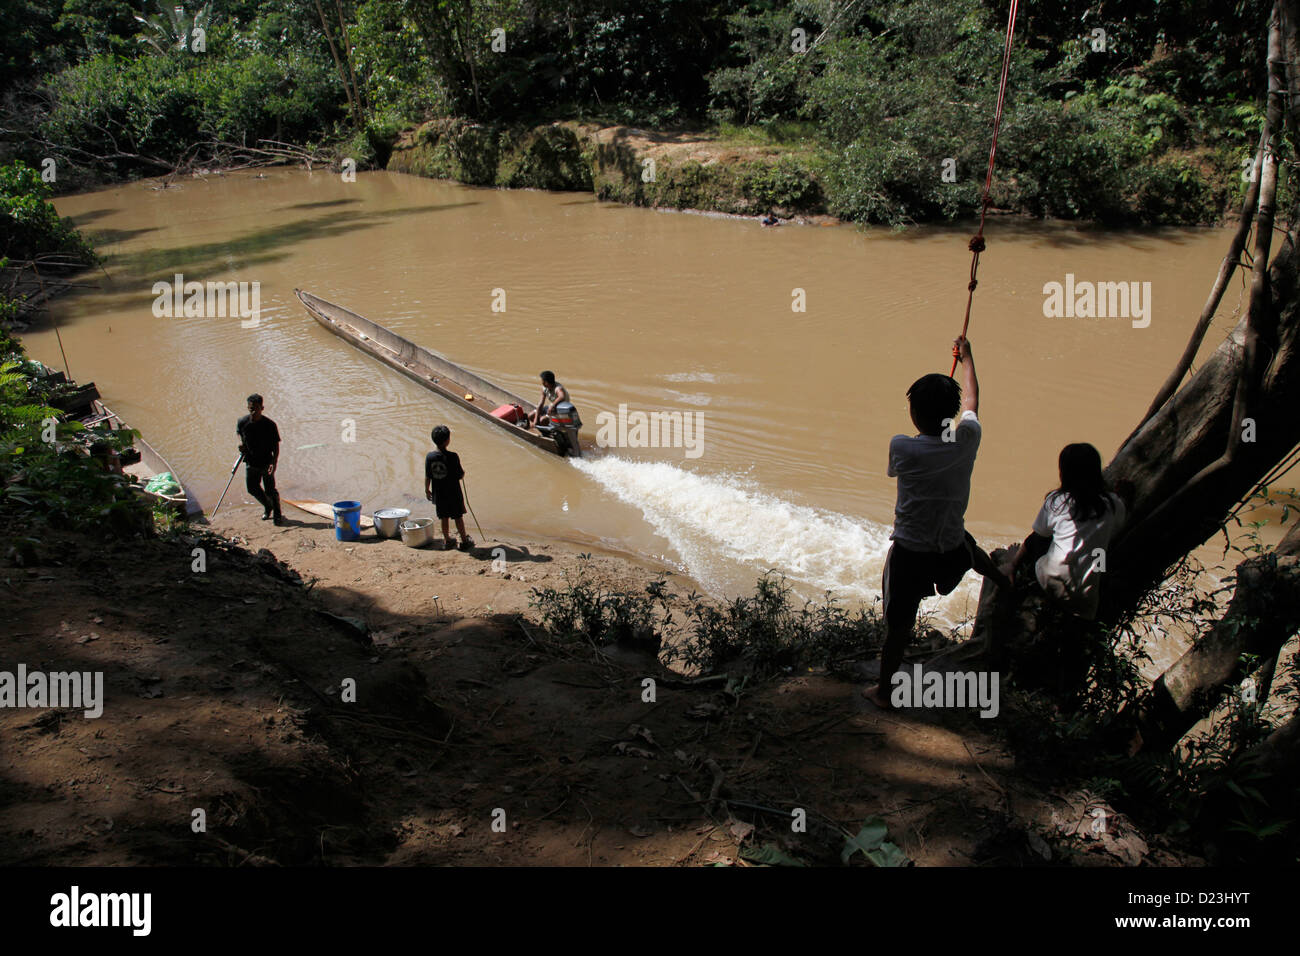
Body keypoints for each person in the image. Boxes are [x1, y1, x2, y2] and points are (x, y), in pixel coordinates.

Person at [863, 336, 1009, 710]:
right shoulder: (967, 440)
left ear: (914, 414)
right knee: (969, 546)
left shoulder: (902, 447)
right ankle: (1002, 578)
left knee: (898, 627)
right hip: (951, 552)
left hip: (912, 554)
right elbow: (973, 402)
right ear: (952, 413)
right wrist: (968, 359)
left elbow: (906, 460)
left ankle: (884, 693)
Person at [1002, 443, 1129, 620]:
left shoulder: (1057, 501)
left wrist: (1014, 563)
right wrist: (1122, 497)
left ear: (1064, 473)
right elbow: (1117, 527)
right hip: (1086, 598)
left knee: (1040, 537)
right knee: (1099, 550)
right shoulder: (1114, 504)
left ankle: (1014, 566)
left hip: (1051, 582)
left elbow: (1038, 537)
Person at [425, 425, 475, 551]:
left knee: (444, 517)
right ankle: (464, 541)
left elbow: (428, 476)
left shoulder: (429, 457)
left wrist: (427, 489)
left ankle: (447, 540)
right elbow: (460, 475)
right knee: (458, 517)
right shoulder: (453, 456)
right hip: (454, 493)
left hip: (439, 493)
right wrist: (463, 474)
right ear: (447, 440)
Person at [236, 393, 282, 525]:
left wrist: (274, 463)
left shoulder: (270, 425)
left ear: (262, 408)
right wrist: (240, 443)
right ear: (248, 408)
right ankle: (268, 506)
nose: (254, 412)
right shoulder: (242, 422)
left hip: (267, 462)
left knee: (270, 490)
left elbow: (276, 446)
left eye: (257, 408)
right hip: (251, 462)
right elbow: (238, 433)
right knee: (252, 488)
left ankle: (277, 513)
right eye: (251, 409)